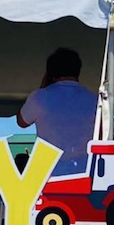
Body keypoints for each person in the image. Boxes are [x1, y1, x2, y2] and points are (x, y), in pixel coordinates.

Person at [17, 48, 98, 177]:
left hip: (48, 172)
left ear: (50, 72)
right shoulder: (94, 99)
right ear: (78, 70)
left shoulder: (40, 97)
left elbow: (21, 121)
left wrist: (44, 84)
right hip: (84, 171)